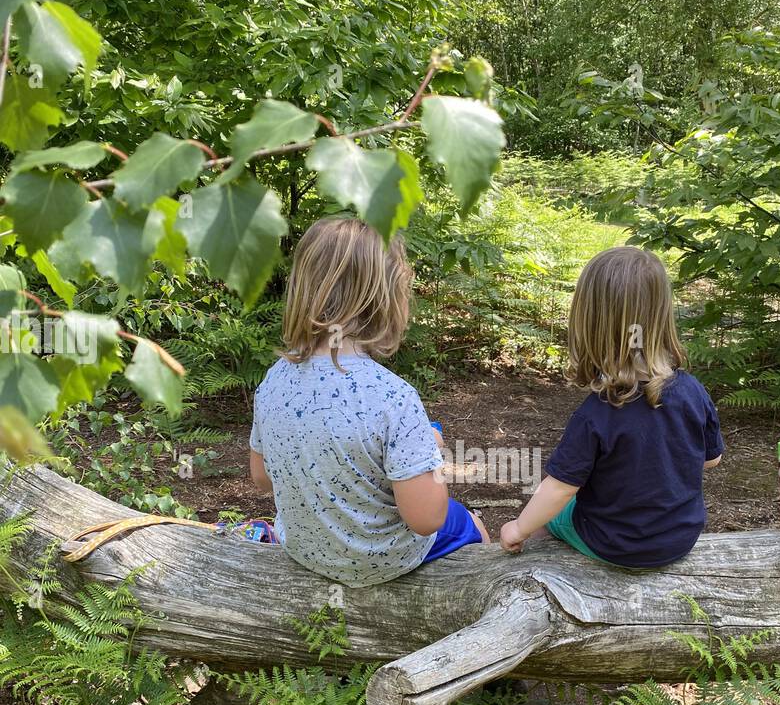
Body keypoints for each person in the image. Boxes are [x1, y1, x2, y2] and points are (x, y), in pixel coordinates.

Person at [249, 217, 488, 587]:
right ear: (387, 299)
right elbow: (426, 519)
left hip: (305, 550)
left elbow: (262, 478)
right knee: (469, 523)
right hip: (384, 559)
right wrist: (430, 453)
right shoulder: (393, 396)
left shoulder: (273, 381)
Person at [500, 245, 723, 567]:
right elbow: (710, 461)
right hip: (680, 538)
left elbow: (560, 488)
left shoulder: (597, 413)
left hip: (617, 545)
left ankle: (532, 568)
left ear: (592, 323)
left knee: (553, 517)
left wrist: (518, 528)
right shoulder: (692, 390)